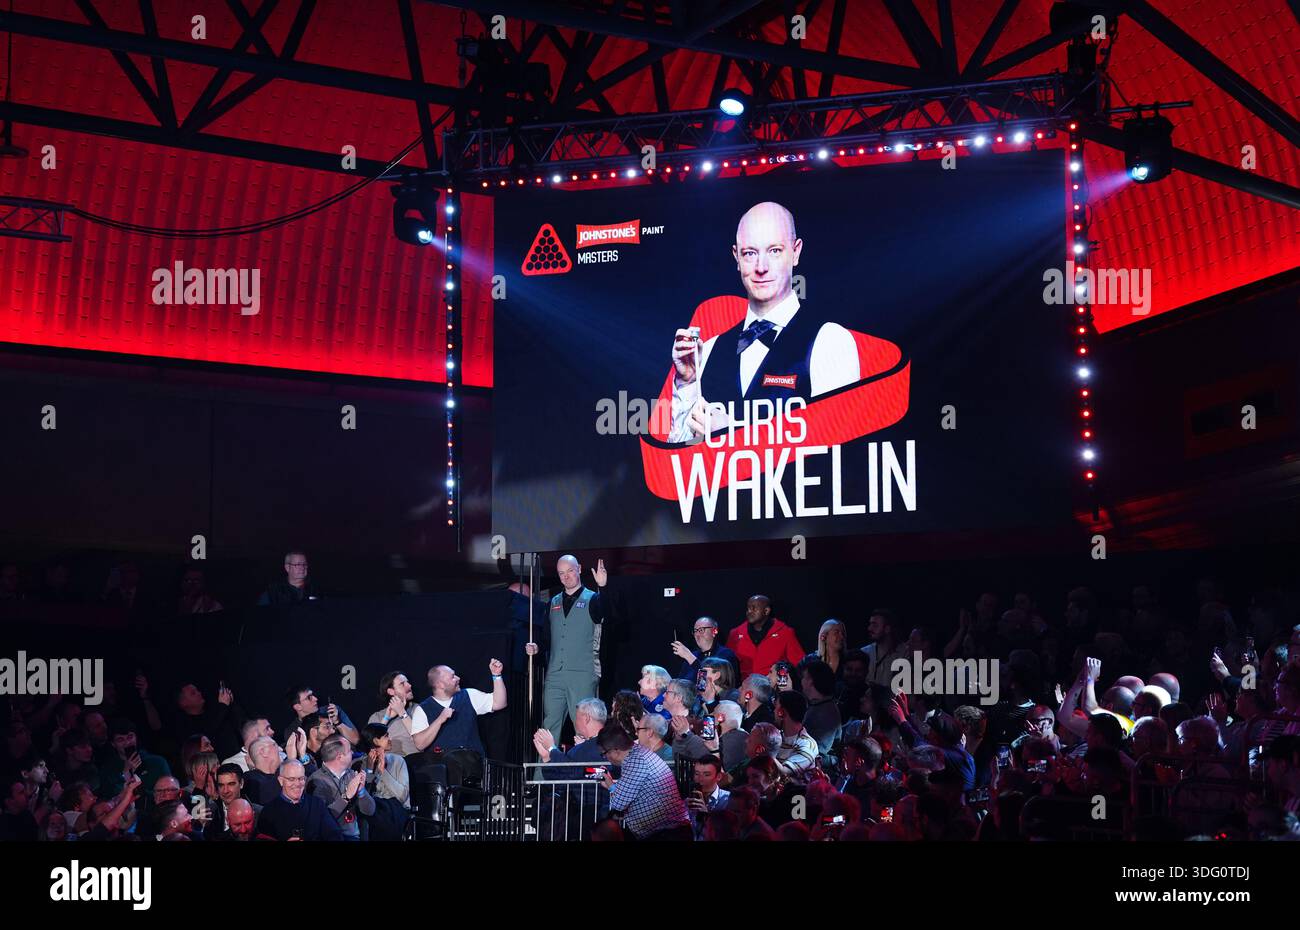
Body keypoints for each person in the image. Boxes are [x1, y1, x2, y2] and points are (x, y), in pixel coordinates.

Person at [666, 200, 860, 444]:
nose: (761, 267)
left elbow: (838, 449)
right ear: (736, 257)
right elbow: (680, 463)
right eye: (750, 253)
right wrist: (687, 383)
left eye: (774, 251)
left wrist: (734, 435)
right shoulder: (712, 348)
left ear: (796, 252)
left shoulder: (831, 342)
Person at [526, 556, 614, 745]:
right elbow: (547, 639)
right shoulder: (553, 602)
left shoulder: (593, 599)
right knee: (550, 724)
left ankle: (588, 772)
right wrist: (537, 648)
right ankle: (543, 774)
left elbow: (606, 613)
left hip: (583, 672)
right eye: (561, 573)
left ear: (579, 569)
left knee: (584, 724)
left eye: (570, 571)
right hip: (555, 674)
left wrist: (603, 587)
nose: (566, 577)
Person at [596, 725, 690, 840]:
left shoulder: (636, 762)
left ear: (615, 750)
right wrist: (612, 786)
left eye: (604, 753)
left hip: (668, 832)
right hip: (665, 830)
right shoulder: (637, 754)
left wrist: (611, 786)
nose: (605, 757)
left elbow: (619, 803)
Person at [417, 659, 507, 755]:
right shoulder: (422, 709)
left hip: (472, 765)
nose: (458, 678)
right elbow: (420, 745)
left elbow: (499, 703)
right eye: (452, 677)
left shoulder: (469, 695)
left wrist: (496, 675)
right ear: (440, 684)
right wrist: (440, 719)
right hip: (441, 766)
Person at [307, 737, 374, 841]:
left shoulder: (352, 775)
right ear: (340, 757)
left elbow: (370, 811)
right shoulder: (317, 781)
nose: (352, 752)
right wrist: (346, 797)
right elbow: (321, 818)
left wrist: (361, 791)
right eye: (349, 750)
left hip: (354, 837)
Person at [257, 760, 342, 841]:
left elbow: (334, 835)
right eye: (291, 779)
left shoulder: (316, 804)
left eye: (301, 778)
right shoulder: (269, 811)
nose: (297, 784)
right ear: (281, 781)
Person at [725, 595, 805, 679]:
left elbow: (799, 664)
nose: (749, 611)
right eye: (748, 608)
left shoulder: (785, 633)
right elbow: (726, 666)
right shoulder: (735, 634)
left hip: (774, 688)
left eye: (753, 608)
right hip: (744, 688)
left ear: (766, 611)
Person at [670, 617, 741, 684]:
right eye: (695, 631)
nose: (697, 634)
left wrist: (690, 658)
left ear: (714, 631)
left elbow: (710, 684)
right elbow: (681, 684)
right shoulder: (693, 655)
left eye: (701, 630)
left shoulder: (726, 655)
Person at [285, 684, 359, 745]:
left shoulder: (331, 711)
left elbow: (355, 740)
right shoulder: (292, 732)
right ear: (298, 706)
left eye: (313, 695)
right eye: (309, 698)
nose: (315, 699)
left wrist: (337, 722)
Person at [800, 659, 842, 761]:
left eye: (803, 677)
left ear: (811, 681)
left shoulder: (827, 713)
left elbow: (817, 753)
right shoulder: (816, 705)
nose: (801, 681)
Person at [773, 691, 818, 780]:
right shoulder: (778, 736)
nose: (773, 711)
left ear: (781, 712)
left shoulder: (807, 744)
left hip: (795, 793)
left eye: (775, 707)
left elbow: (784, 772)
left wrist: (765, 750)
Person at [861, 608, 909, 688]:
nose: (869, 628)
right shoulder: (864, 652)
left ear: (887, 629)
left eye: (875, 625)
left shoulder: (904, 653)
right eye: (870, 624)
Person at [686, 755, 730, 841]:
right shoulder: (689, 800)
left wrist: (706, 815)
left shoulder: (728, 800)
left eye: (706, 774)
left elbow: (726, 834)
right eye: (697, 774)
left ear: (719, 777)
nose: (700, 779)